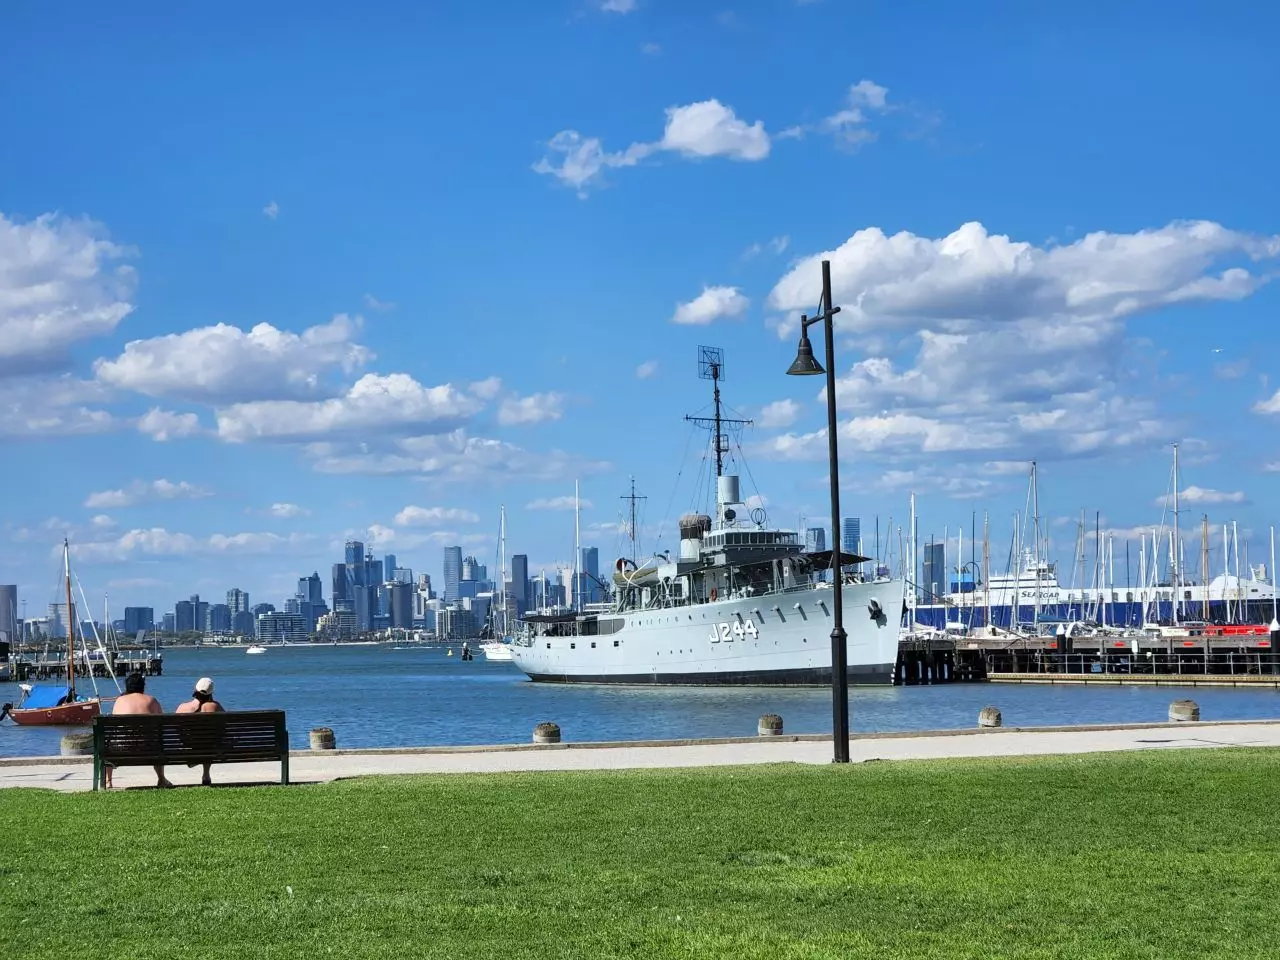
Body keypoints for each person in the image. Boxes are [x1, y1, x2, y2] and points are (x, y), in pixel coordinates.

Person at [109, 672, 170, 789]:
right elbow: (161, 724)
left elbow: (114, 725)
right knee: (158, 742)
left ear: (127, 686)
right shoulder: (152, 700)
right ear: (143, 686)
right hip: (148, 749)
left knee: (109, 743)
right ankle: (161, 778)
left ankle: (108, 781)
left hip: (121, 749)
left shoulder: (119, 701)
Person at [176, 677, 224, 786]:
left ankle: (196, 758)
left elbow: (177, 730)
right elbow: (227, 724)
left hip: (188, 747)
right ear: (211, 692)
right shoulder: (215, 706)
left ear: (195, 689)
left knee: (204, 741)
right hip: (209, 747)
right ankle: (206, 775)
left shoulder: (182, 707)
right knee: (209, 740)